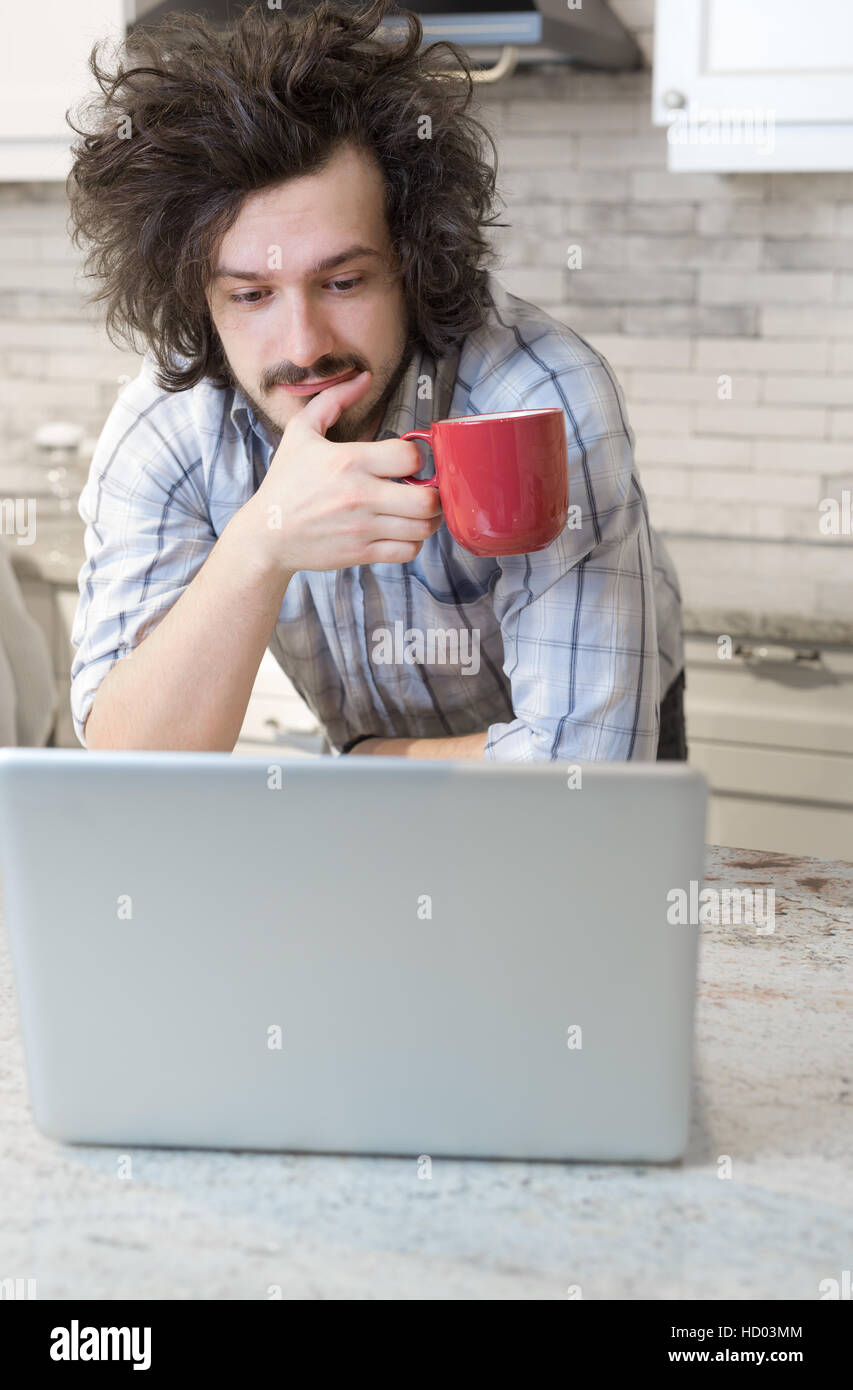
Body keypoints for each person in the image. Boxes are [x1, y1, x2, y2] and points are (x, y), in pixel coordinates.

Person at [67, 0, 687, 762]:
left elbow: (585, 772)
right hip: (417, 772)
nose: (303, 346)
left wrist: (361, 764)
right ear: (196, 297)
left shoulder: (538, 395)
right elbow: (130, 767)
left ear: (415, 263)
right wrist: (260, 545)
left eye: (344, 282)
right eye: (251, 295)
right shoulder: (168, 426)